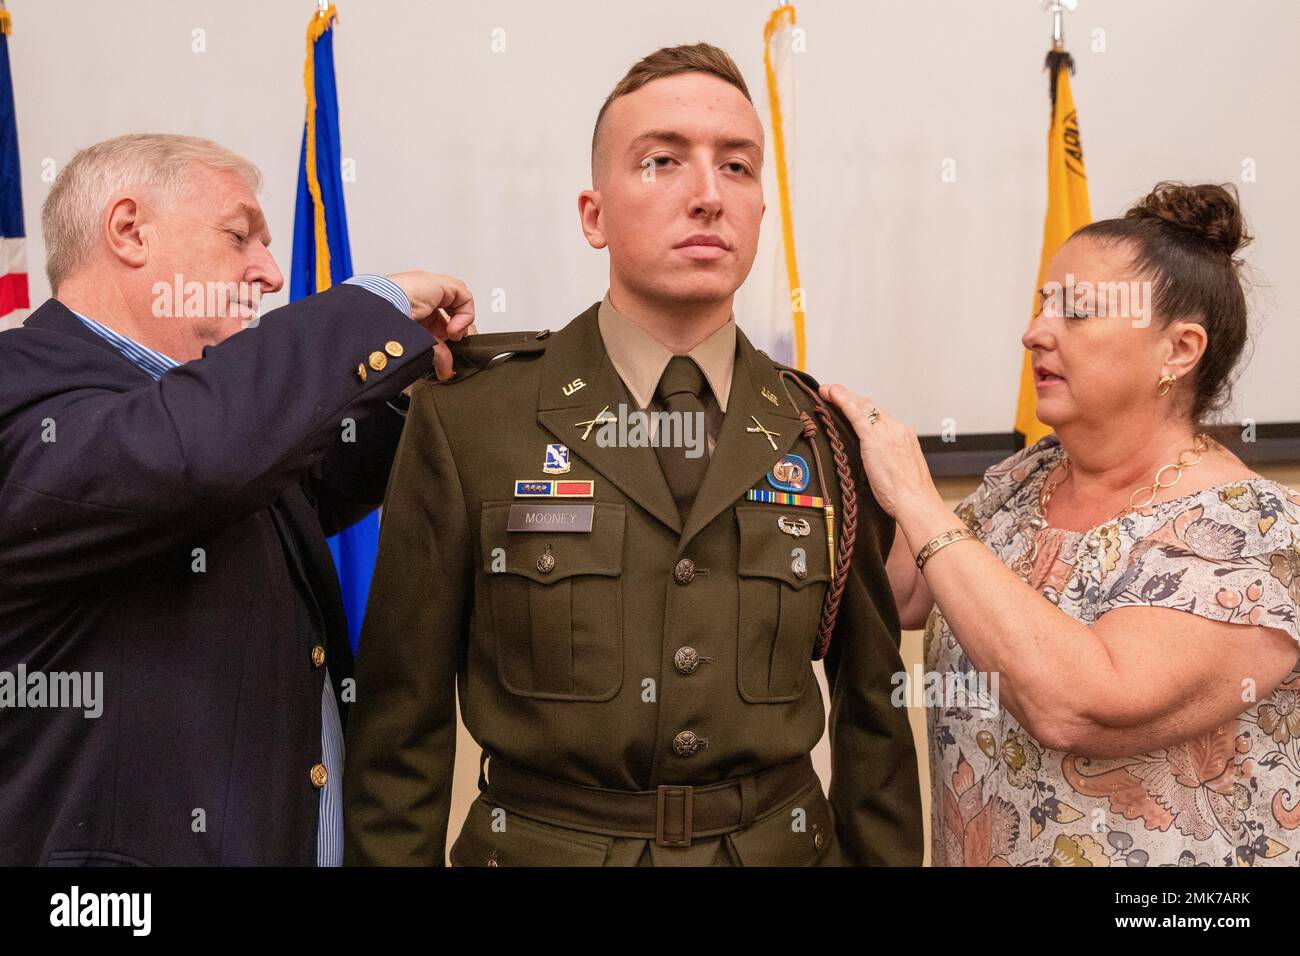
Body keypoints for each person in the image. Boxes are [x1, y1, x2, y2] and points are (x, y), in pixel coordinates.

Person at [343, 43, 923, 866]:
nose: (708, 196)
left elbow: (875, 713)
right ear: (593, 215)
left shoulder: (822, 433)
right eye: (661, 162)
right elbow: (402, 727)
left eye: (738, 167)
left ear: (762, 208)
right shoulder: (473, 421)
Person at [0, 133, 475, 865]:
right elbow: (192, 455)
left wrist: (427, 403)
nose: (273, 274)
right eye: (240, 236)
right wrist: (367, 308)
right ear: (129, 231)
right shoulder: (22, 392)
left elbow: (304, 473)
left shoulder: (220, 429)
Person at [823, 182, 1300, 866]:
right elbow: (908, 592)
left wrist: (919, 499)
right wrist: (812, 450)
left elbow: (1077, 705)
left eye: (1077, 311)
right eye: (1043, 306)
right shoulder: (1026, 480)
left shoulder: (1254, 531)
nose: (1034, 332)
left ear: (1180, 350)